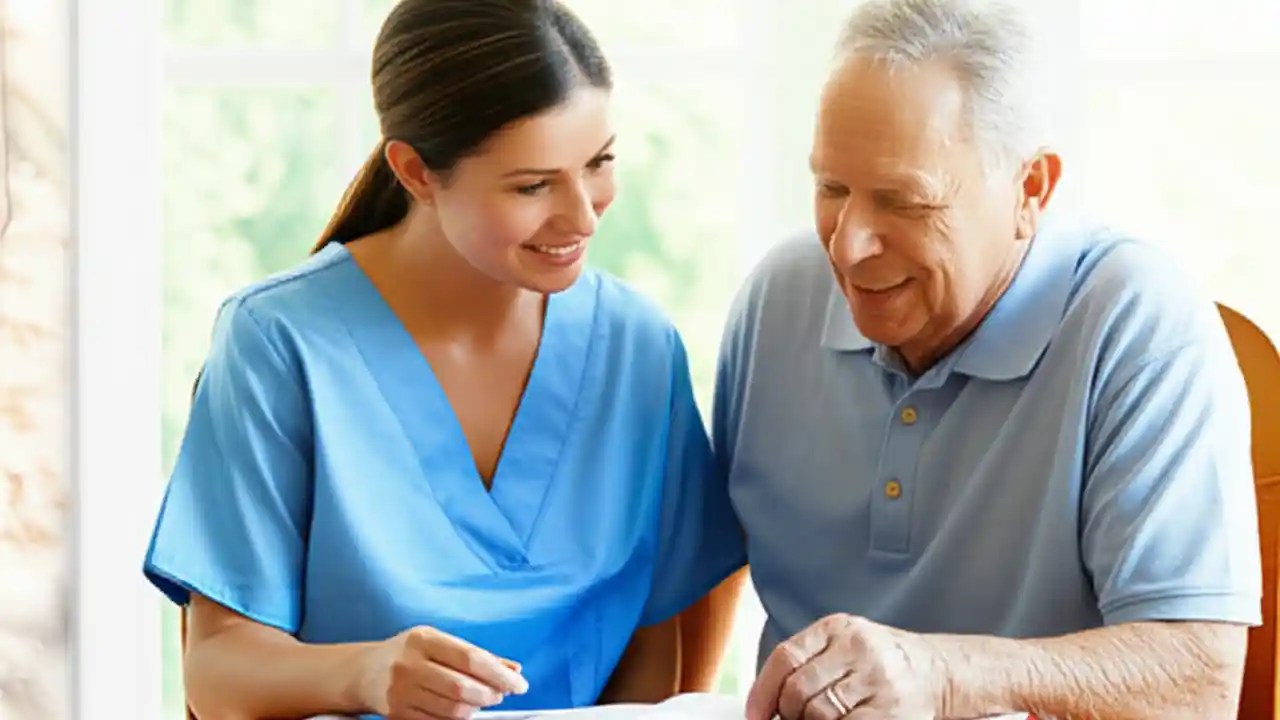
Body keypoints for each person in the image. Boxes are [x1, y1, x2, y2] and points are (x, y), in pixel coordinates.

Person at [141, 1, 747, 718]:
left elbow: (656, 642)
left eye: (599, 163)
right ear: (416, 172)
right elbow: (216, 674)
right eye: (532, 185)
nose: (583, 215)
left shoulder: (637, 347)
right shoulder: (279, 342)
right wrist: (367, 673)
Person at [714, 0, 1262, 718]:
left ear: (1030, 188)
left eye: (903, 201)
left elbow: (1201, 684)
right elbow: (702, 567)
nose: (847, 247)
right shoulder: (776, 299)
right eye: (831, 188)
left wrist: (942, 677)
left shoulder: (1137, 320)